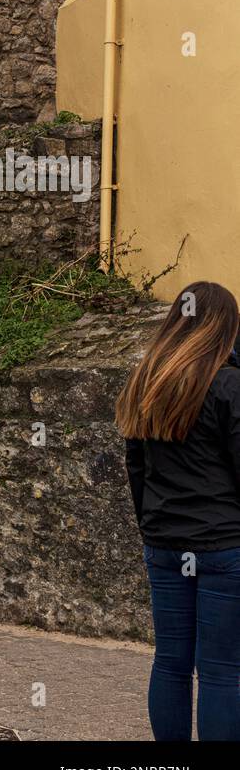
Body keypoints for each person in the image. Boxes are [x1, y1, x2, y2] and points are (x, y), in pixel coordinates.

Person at [117, 281, 240, 741]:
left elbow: (136, 467)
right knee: (222, 671)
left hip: (165, 544)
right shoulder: (228, 384)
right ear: (224, 328)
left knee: (170, 662)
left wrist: (152, 527)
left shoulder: (146, 379)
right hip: (224, 546)